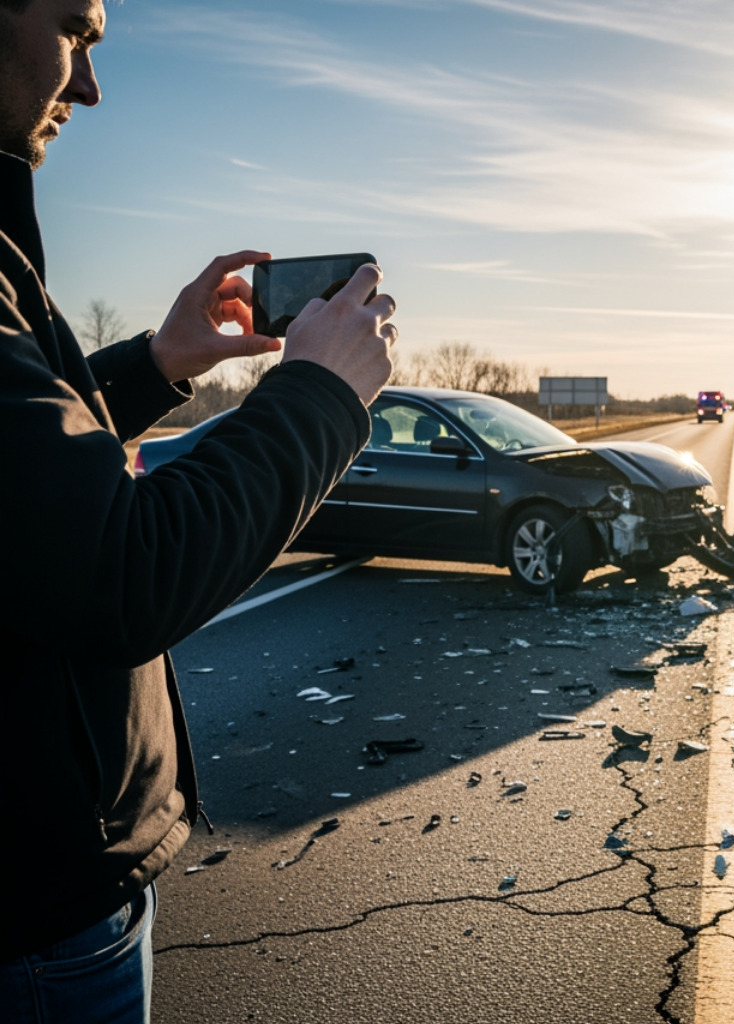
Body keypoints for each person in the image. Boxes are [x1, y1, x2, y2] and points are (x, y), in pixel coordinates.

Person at [0, 2, 397, 1021]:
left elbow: (24, 484)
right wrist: (318, 399)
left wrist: (156, 364)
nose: (87, 85)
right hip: (39, 920)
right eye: (72, 31)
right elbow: (120, 574)